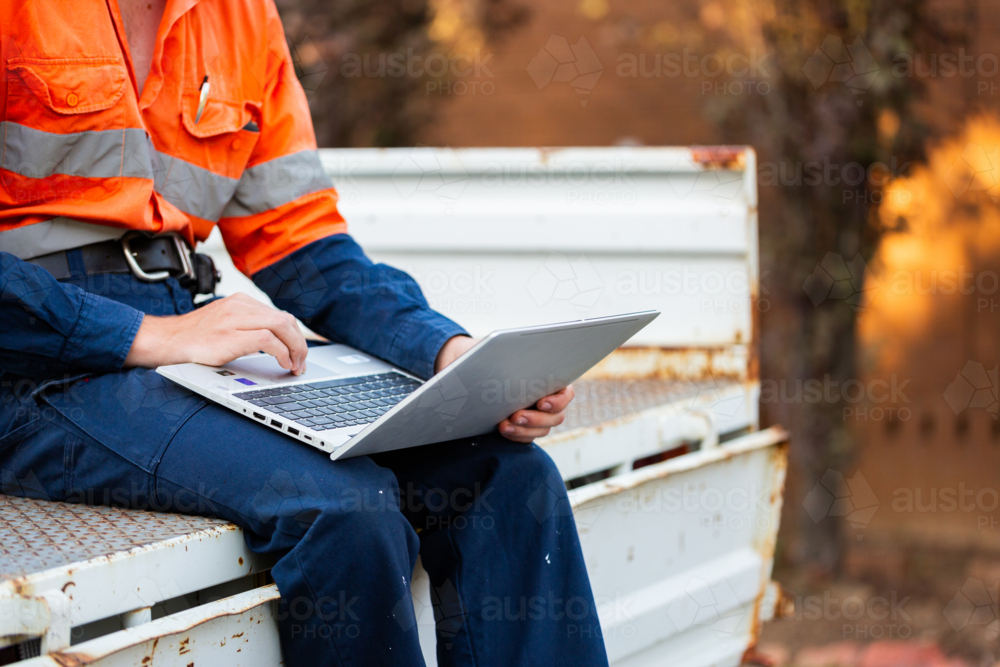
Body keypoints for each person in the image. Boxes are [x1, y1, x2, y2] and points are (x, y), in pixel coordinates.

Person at [0, 0, 609, 665]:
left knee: (509, 476)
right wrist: (151, 335)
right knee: (345, 507)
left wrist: (450, 355)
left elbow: (306, 244)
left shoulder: (241, 17)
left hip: (185, 330)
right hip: (37, 363)